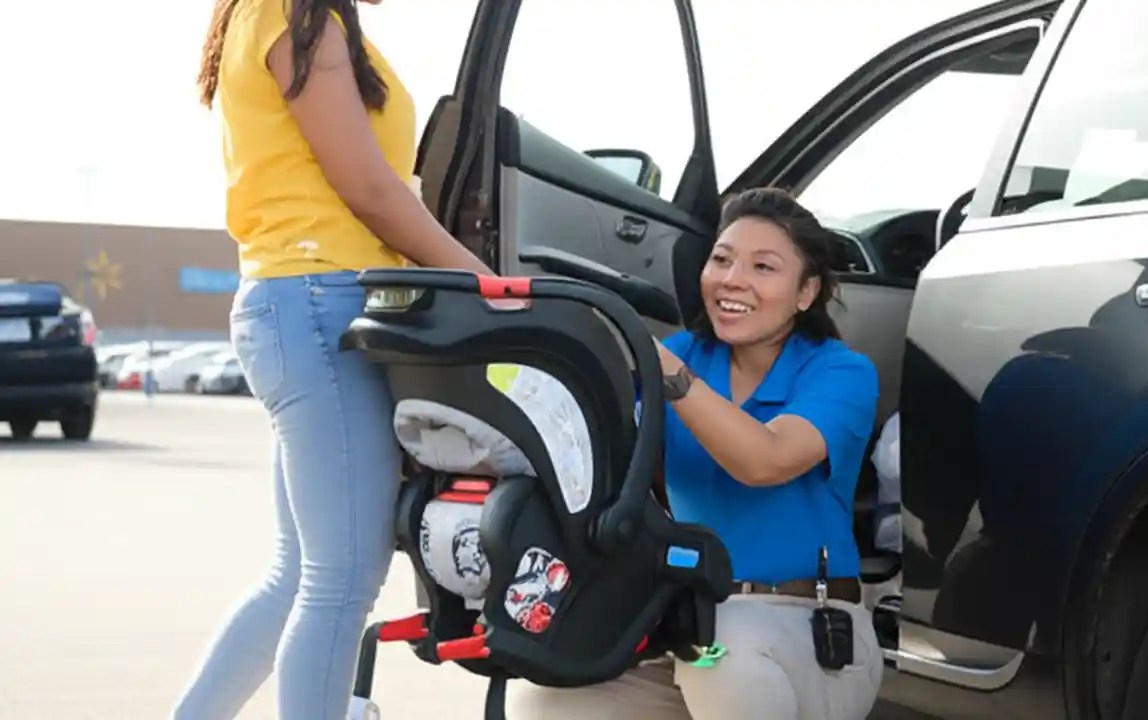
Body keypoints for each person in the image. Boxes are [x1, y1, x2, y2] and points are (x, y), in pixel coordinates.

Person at [174, 1, 492, 719]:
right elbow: (369, 188)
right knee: (341, 578)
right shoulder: (292, 10)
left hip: (305, 302)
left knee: (298, 577)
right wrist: (487, 285)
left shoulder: (298, 16)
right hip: (319, 303)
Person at [507, 187, 885, 720]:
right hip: (694, 623)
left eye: (764, 267)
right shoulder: (685, 354)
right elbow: (608, 456)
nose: (733, 280)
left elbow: (764, 460)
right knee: (545, 706)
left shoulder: (840, 372)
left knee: (720, 653)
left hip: (810, 632)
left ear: (807, 292)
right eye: (722, 260)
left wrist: (660, 366)